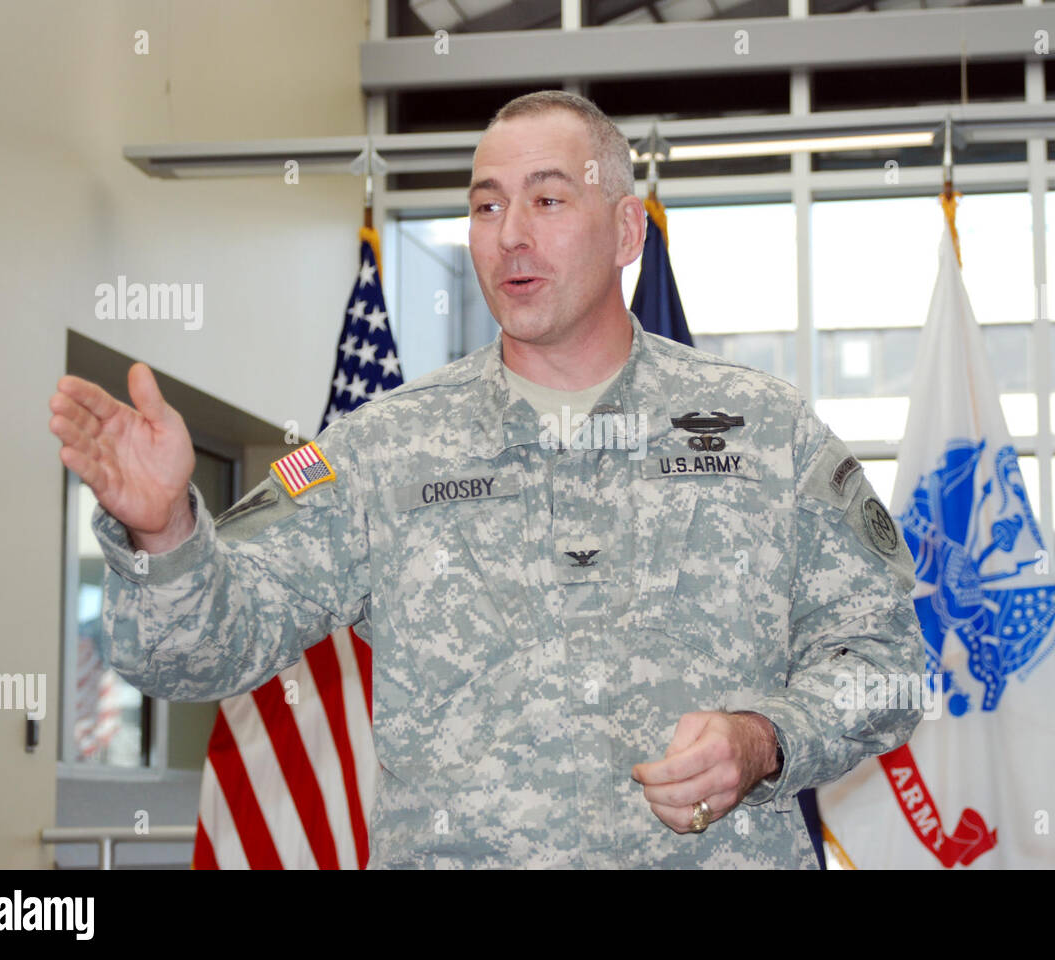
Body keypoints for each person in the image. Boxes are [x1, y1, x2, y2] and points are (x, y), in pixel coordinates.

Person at [48, 90, 925, 868]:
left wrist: (764, 740)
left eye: (548, 199)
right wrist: (164, 532)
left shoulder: (764, 431)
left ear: (627, 231)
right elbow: (196, 654)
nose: (511, 234)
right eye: (486, 205)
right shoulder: (383, 449)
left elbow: (885, 663)